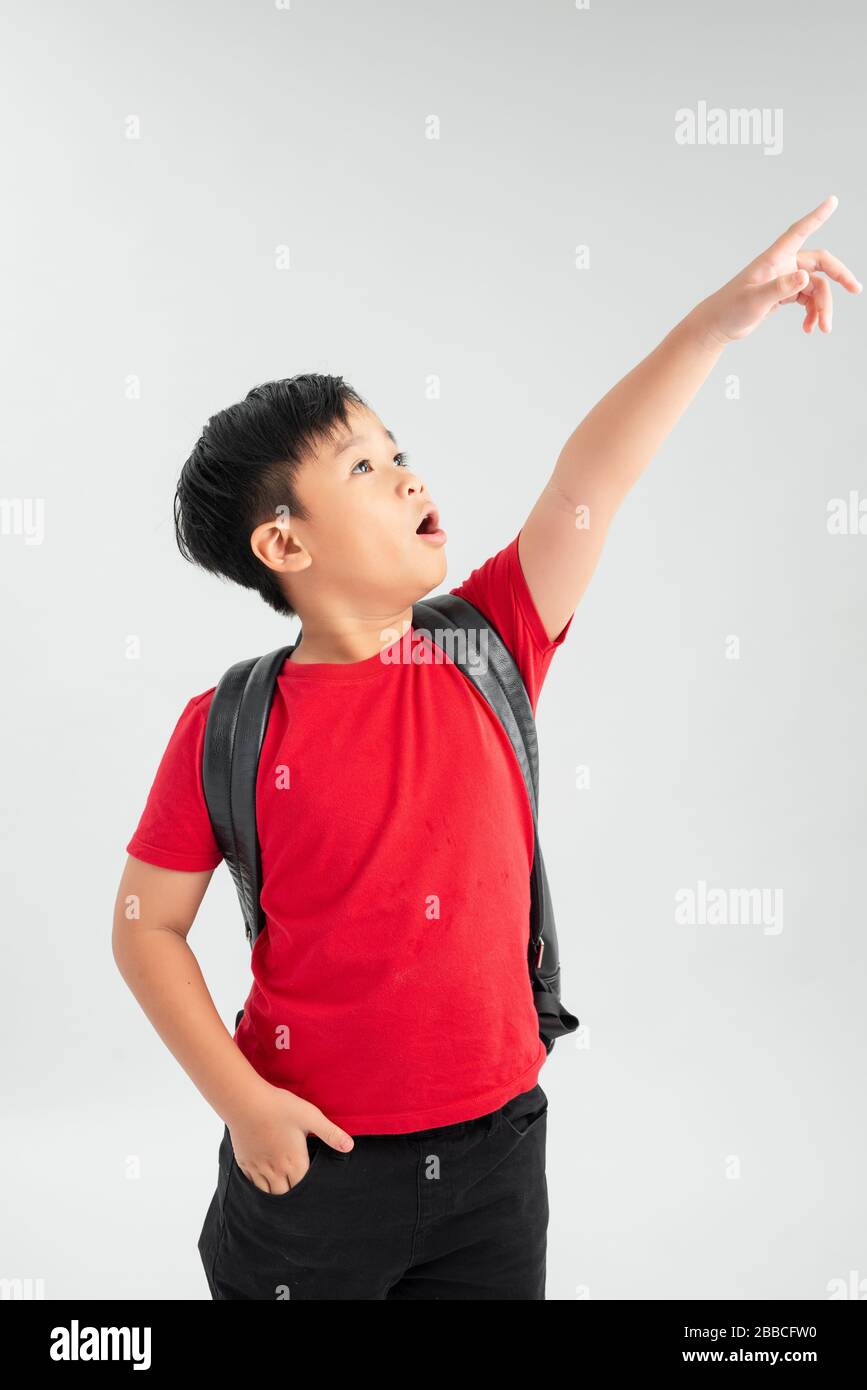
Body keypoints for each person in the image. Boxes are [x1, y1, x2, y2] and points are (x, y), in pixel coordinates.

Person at [112, 194, 859, 1300]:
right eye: (363, 469)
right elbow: (147, 931)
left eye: (398, 448)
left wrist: (713, 325)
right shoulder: (227, 727)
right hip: (313, 1166)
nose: (410, 474)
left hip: (500, 1153)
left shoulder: (489, 640)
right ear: (284, 543)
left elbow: (587, 484)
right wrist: (242, 1101)